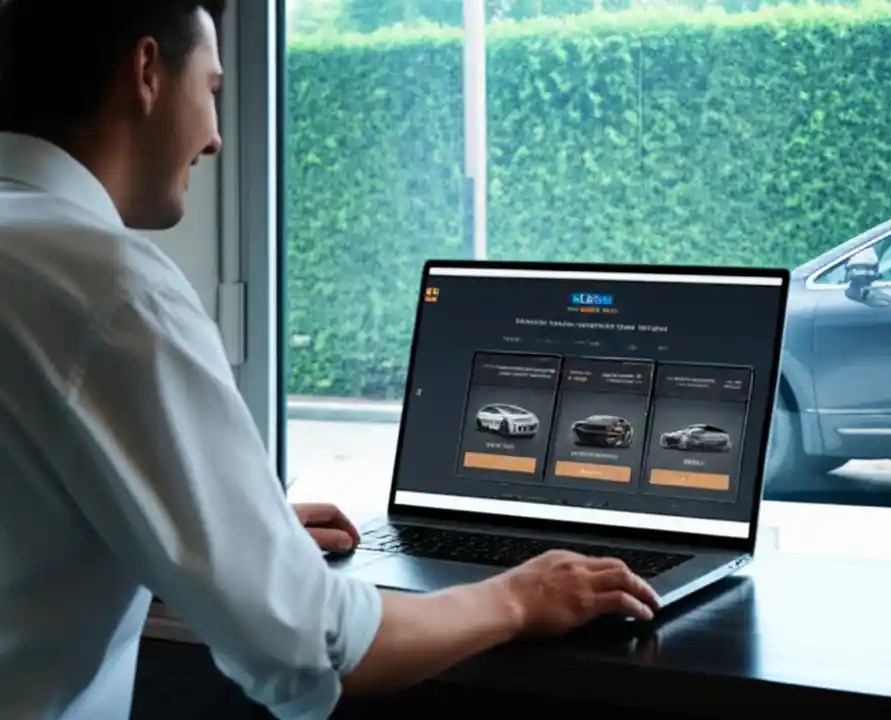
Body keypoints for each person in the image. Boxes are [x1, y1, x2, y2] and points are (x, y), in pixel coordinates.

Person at [0, 1, 661, 718]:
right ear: (148, 71)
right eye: (213, 89)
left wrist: (223, 536)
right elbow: (310, 646)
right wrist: (519, 596)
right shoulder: (113, 290)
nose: (215, 138)